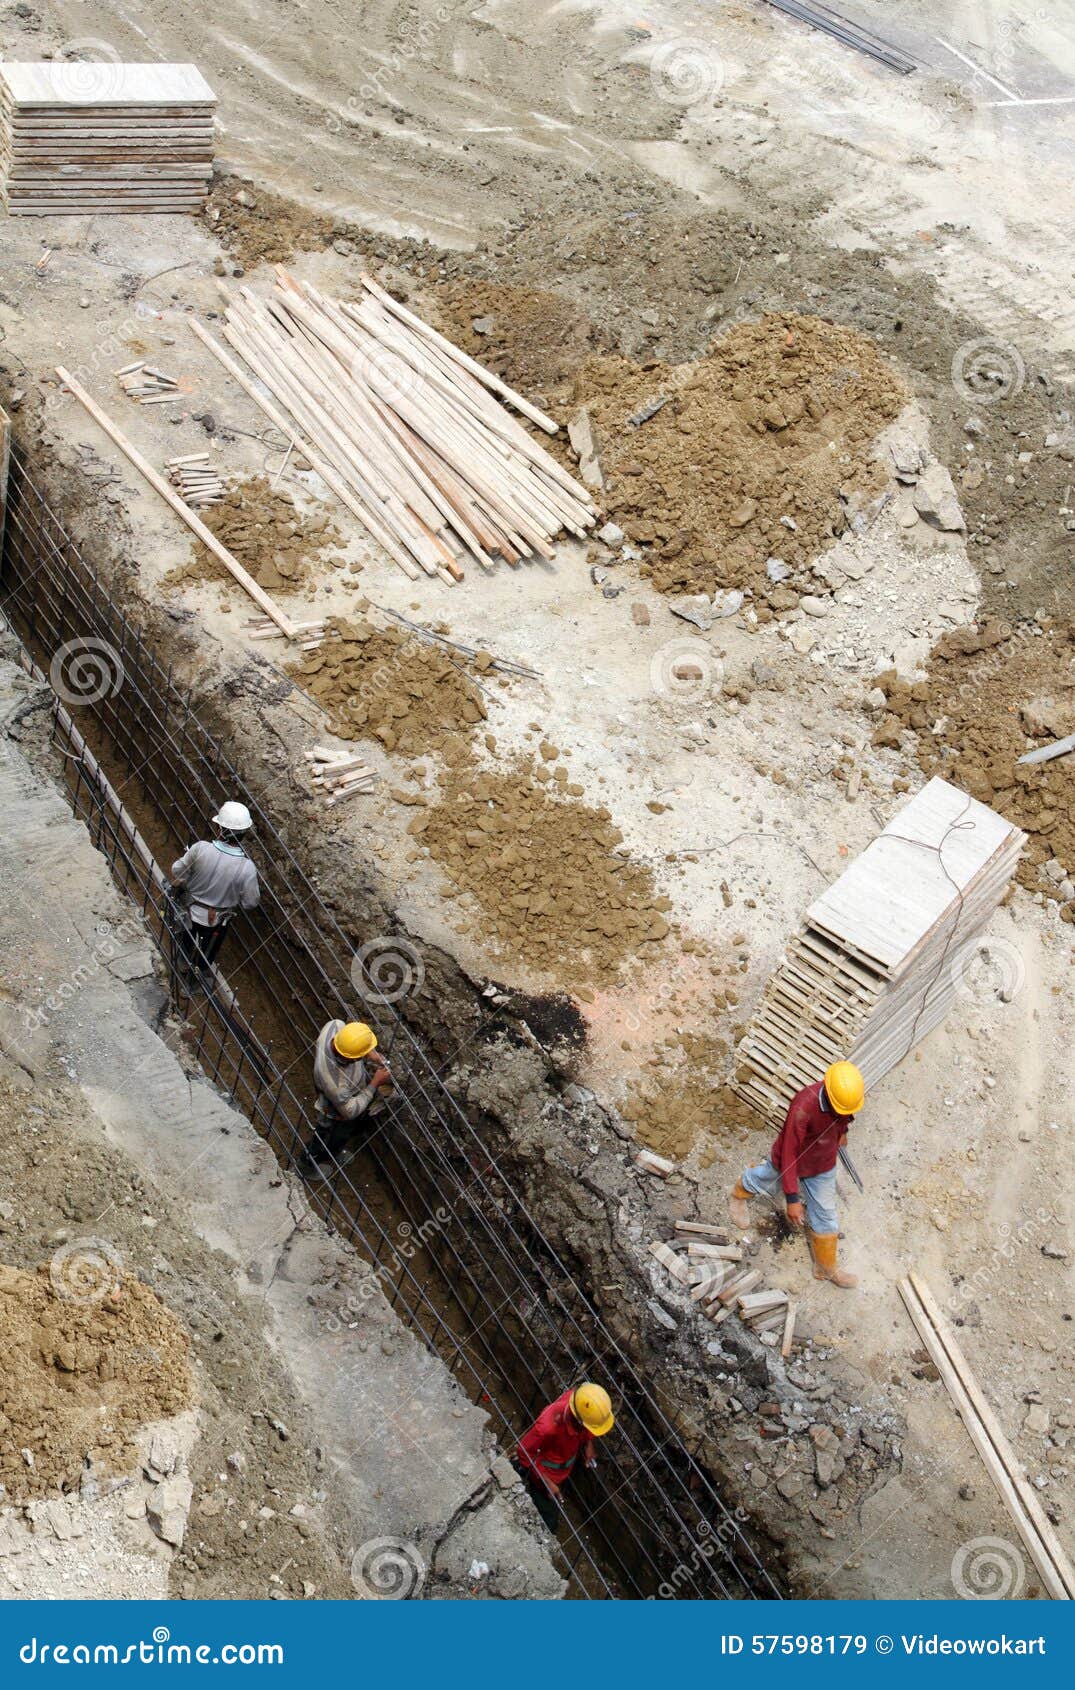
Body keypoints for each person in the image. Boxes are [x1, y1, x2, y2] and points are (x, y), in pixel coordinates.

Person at [729, 1060, 864, 1289]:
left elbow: (846, 1117)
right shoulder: (804, 1105)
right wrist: (792, 1198)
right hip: (791, 1159)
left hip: (822, 1163)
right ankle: (739, 1193)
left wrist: (841, 1132)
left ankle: (825, 1267)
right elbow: (789, 1152)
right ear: (829, 1095)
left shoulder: (846, 1097)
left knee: (826, 1214)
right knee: (764, 1179)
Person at [168, 801, 260, 985]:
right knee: (206, 952)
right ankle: (193, 983)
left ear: (219, 828)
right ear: (244, 834)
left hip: (189, 909)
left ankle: (181, 964)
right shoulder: (247, 868)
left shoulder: (200, 848)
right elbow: (251, 903)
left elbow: (177, 871)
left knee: (186, 939)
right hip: (217, 921)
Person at [514, 1383, 615, 1533]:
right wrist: (547, 1483)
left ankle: (517, 1469)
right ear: (579, 1422)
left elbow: (587, 1425)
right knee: (549, 1524)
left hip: (559, 1470)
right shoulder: (547, 1427)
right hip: (543, 1476)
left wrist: (588, 1443)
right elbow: (523, 1452)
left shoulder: (580, 1399)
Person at [309, 1019, 393, 1164]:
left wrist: (370, 1053)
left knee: (342, 1134)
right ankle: (308, 1164)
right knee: (327, 1134)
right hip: (333, 1109)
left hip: (344, 1091)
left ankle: (334, 1151)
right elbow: (350, 1111)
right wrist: (375, 1083)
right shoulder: (336, 1084)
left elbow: (350, 1043)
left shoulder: (335, 1027)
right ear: (352, 1058)